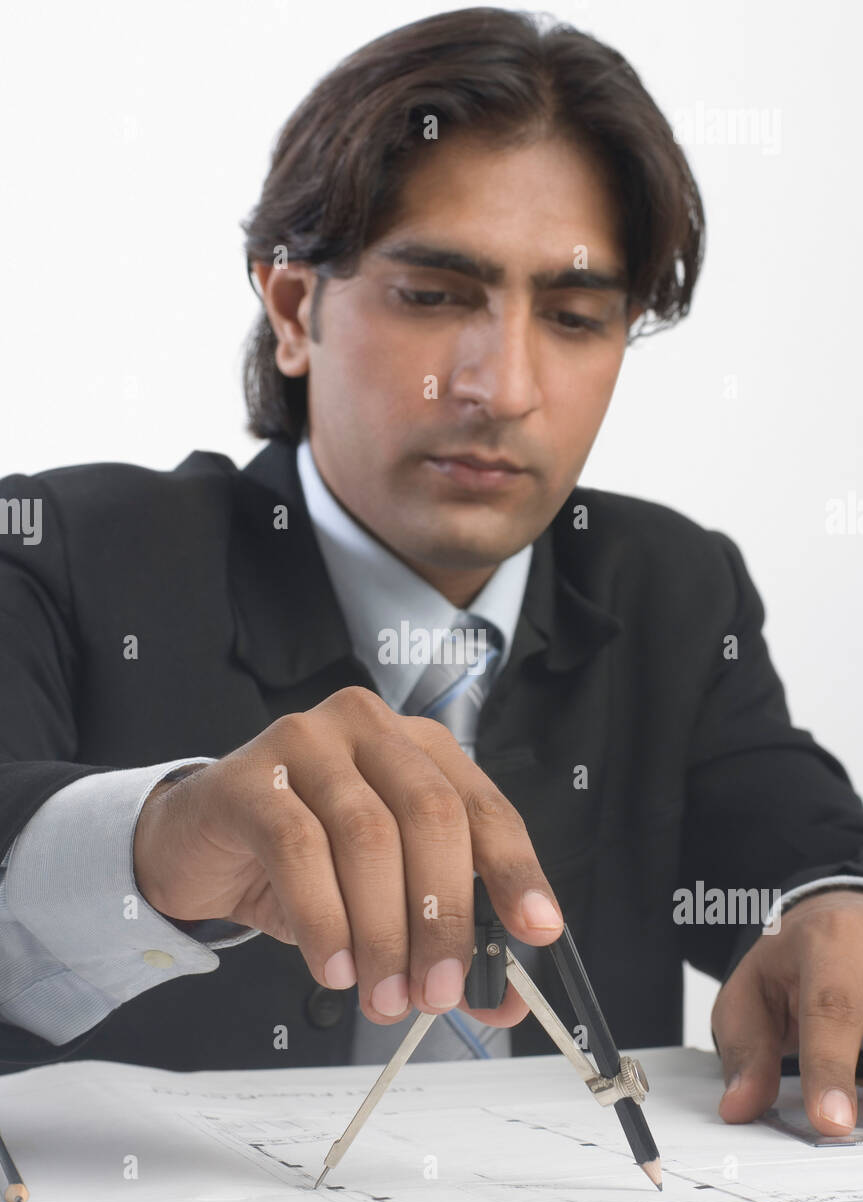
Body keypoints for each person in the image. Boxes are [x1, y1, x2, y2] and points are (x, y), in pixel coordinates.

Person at [1, 8, 862, 1137]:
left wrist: (826, 907)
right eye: (432, 295)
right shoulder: (57, 552)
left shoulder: (672, 586)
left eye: (571, 314)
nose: (501, 386)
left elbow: (786, 824)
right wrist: (161, 840)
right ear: (294, 307)